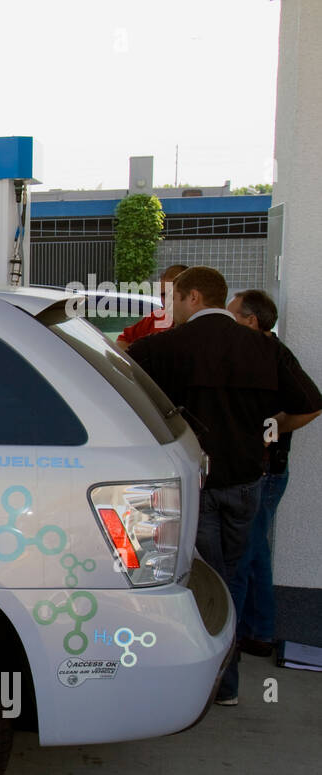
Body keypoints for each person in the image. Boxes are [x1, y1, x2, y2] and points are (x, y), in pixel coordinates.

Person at [128, 267, 321, 705]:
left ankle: (197, 680)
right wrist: (268, 429)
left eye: (175, 299)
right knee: (231, 576)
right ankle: (226, 683)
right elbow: (310, 403)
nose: (170, 309)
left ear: (193, 297)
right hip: (248, 481)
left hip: (191, 484)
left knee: (191, 580)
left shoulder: (161, 348)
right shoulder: (265, 349)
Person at [227, 290, 321, 658]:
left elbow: (311, 406)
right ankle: (256, 632)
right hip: (259, 471)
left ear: (251, 321)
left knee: (251, 553)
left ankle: (258, 633)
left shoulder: (274, 355)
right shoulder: (256, 353)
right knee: (252, 551)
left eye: (232, 314)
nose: (226, 320)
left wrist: (270, 432)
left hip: (266, 472)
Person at [116, 263, 187, 350]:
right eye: (163, 295)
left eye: (171, 294)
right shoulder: (154, 319)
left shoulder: (202, 326)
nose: (166, 300)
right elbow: (123, 340)